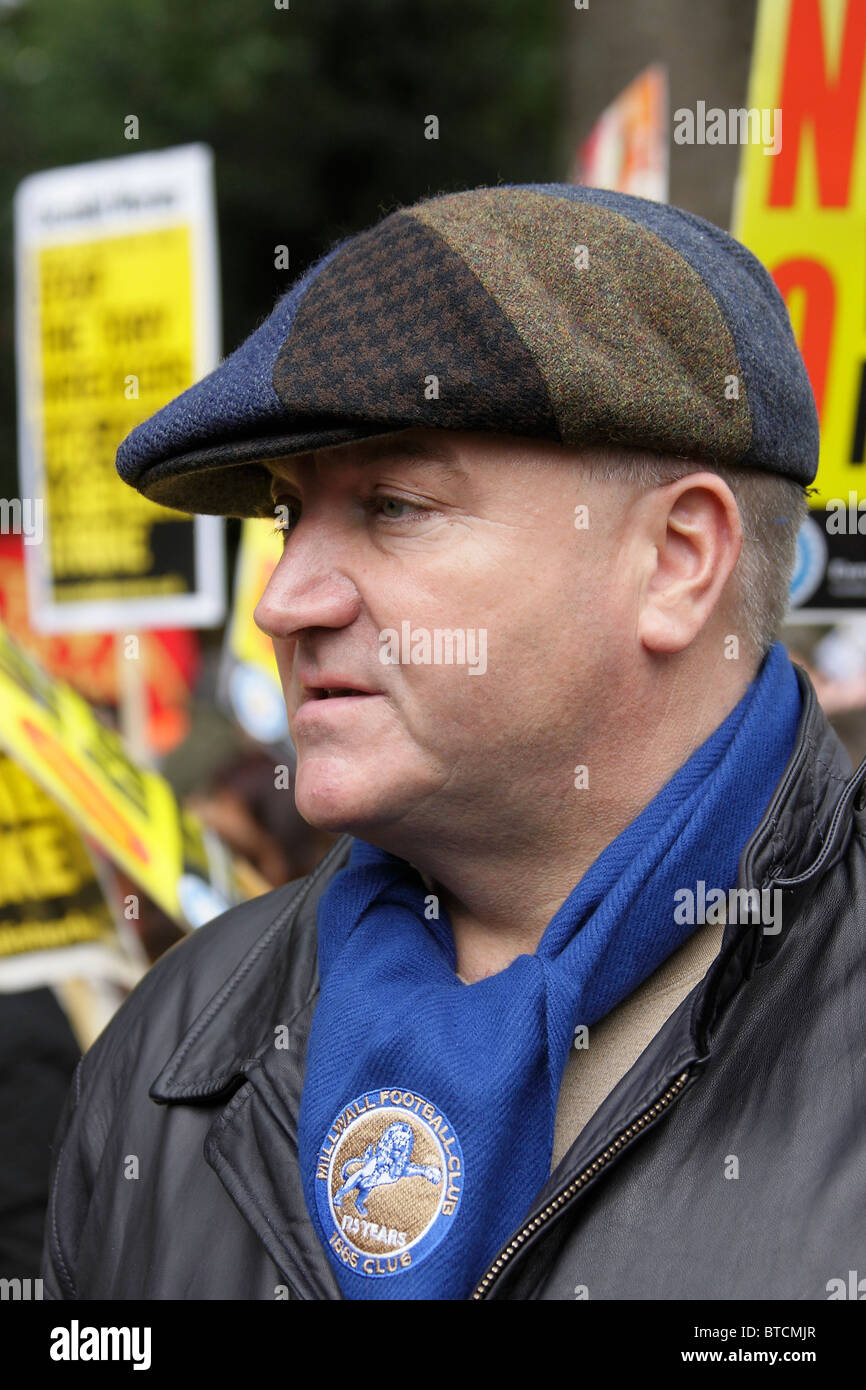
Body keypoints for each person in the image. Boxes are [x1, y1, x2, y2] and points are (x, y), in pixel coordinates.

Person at [41, 184, 865, 1301]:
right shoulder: (177, 1041)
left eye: (392, 505)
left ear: (676, 560)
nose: (283, 600)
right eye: (288, 513)